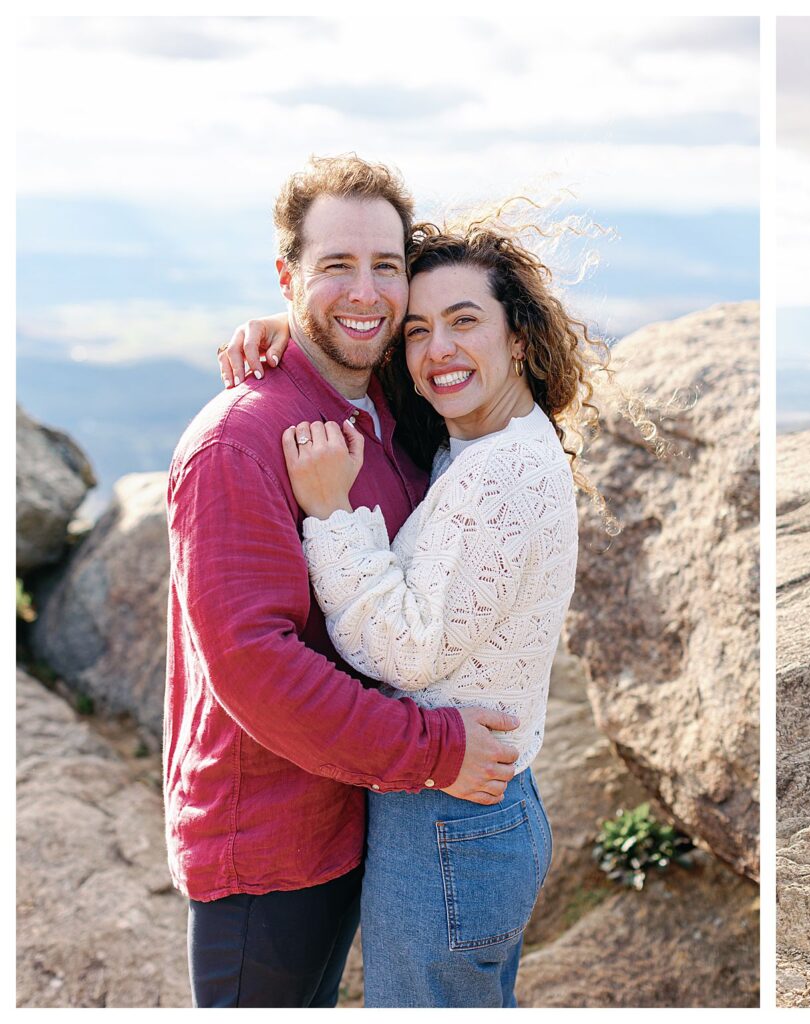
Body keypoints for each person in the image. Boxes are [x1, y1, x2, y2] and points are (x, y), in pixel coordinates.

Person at [221, 204, 652, 1005]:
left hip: (449, 822)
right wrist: (284, 331)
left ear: (517, 335)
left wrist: (330, 514)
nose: (437, 350)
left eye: (464, 321)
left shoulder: (500, 475)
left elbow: (409, 652)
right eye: (416, 331)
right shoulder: (484, 440)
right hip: (469, 814)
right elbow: (358, 347)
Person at [165, 155, 526, 1007]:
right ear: (288, 275)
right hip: (268, 848)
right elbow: (257, 666)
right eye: (335, 267)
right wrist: (434, 749)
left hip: (353, 812)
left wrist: (288, 328)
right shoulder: (239, 445)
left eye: (386, 267)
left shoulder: (383, 404)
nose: (366, 292)